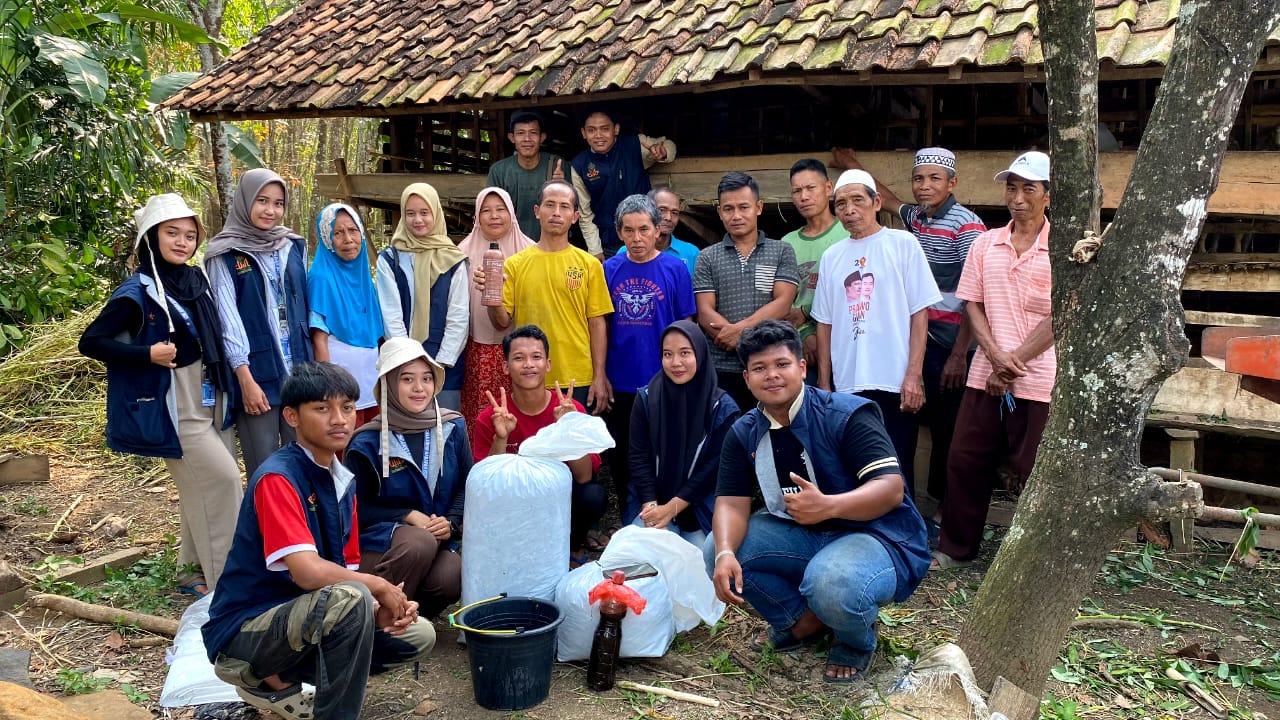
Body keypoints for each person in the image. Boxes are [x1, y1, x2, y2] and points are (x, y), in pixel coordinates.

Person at [203, 362, 435, 720]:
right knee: (354, 595)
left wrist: (379, 611)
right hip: (245, 630)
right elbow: (309, 573)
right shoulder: (279, 478)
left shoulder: (342, 479)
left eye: (346, 407)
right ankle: (296, 694)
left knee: (417, 635)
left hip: (303, 618)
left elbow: (341, 573)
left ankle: (280, 679)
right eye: (322, 409)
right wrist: (376, 587)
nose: (339, 419)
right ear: (293, 417)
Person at [707, 320, 929, 683]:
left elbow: (890, 489)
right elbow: (731, 502)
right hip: (804, 534)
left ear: (802, 368)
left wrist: (829, 506)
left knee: (832, 581)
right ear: (746, 378)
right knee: (713, 550)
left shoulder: (848, 414)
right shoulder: (745, 430)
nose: (772, 375)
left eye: (782, 364)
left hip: (877, 535)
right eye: (760, 368)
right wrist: (724, 553)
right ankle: (802, 622)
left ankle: (855, 640)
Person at [80, 194, 241, 596]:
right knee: (222, 483)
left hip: (212, 391)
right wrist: (146, 354)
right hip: (177, 400)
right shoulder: (137, 291)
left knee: (200, 486)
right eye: (172, 233)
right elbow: (92, 342)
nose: (183, 242)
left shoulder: (195, 279)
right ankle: (230, 585)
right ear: (151, 237)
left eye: (190, 235)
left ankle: (191, 570)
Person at [834, 147, 987, 532]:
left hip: (953, 341)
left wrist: (958, 354)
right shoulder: (916, 219)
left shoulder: (967, 226)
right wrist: (854, 166)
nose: (924, 186)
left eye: (935, 179)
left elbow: (975, 293)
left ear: (952, 183)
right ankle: (909, 511)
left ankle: (942, 512)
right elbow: (884, 198)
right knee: (918, 421)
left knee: (948, 430)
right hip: (922, 339)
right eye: (919, 178)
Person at [933, 151, 1055, 569]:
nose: (1017, 198)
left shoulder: (1061, 248)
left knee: (1033, 469)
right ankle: (956, 548)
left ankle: (1032, 560)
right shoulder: (986, 243)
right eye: (1011, 187)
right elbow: (972, 306)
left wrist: (1013, 361)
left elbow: (1063, 314)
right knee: (966, 458)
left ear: (1047, 196)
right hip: (986, 372)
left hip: (1039, 377)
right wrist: (996, 357)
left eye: (1028, 189)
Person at [811, 169, 941, 497]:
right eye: (841, 204)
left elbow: (919, 314)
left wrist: (914, 376)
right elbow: (823, 323)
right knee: (855, 467)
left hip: (894, 381)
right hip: (848, 383)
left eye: (858, 200)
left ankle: (904, 541)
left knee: (898, 467)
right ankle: (866, 539)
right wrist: (825, 385)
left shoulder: (903, 244)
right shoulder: (832, 256)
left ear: (876, 202)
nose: (849, 209)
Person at [344, 337, 470, 618]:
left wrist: (451, 523)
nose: (419, 388)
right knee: (418, 542)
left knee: (451, 576)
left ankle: (410, 616)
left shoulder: (452, 426)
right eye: (407, 379)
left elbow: (466, 485)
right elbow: (355, 511)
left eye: (427, 378)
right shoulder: (366, 442)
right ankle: (379, 617)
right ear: (388, 384)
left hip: (434, 543)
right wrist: (407, 515)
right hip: (382, 547)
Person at [206, 168, 313, 477]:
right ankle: (265, 525)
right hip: (258, 373)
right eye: (262, 201)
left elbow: (302, 305)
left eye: (278, 203)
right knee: (264, 464)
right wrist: (245, 378)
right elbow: (227, 319)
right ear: (245, 201)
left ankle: (301, 524)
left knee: (303, 457)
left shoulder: (292, 246)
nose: (271, 210)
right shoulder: (225, 253)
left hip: (299, 371)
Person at [474, 180, 613, 413]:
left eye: (564, 206)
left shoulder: (589, 264)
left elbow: (597, 323)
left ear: (576, 216)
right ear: (537, 211)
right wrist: (492, 295)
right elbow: (501, 322)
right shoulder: (515, 264)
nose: (556, 213)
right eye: (550, 205)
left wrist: (600, 375)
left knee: (578, 449)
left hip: (577, 377)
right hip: (530, 376)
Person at [471, 325, 606, 566]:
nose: (529, 365)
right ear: (505, 366)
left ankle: (571, 546)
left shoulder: (569, 409)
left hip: (559, 500)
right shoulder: (491, 417)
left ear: (548, 364)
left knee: (593, 496)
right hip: (514, 503)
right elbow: (487, 485)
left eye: (536, 357)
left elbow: (585, 477)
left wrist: (567, 430)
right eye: (519, 358)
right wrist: (501, 437)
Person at [602, 194, 697, 528]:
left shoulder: (674, 268)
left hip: (663, 380)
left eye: (644, 229)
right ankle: (633, 516)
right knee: (624, 453)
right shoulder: (609, 269)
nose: (637, 238)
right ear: (619, 232)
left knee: (666, 449)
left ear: (658, 229)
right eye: (628, 230)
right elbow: (601, 325)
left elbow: (686, 324)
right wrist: (601, 374)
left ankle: (667, 514)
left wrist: (683, 373)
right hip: (620, 380)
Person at [693, 171, 800, 413]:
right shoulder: (707, 256)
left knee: (774, 434)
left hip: (772, 366)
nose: (736, 215)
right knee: (726, 436)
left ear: (759, 207)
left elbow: (783, 303)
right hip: (721, 368)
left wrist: (742, 335)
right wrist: (744, 341)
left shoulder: (782, 250)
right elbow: (704, 311)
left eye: (744, 207)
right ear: (719, 212)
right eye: (728, 209)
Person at [627, 320, 739, 546]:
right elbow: (638, 457)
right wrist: (651, 506)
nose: (676, 363)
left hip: (700, 506)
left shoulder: (723, 409)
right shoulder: (647, 399)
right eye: (667, 354)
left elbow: (712, 471)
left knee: (701, 568)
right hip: (653, 501)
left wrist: (673, 508)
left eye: (685, 353)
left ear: (700, 353)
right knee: (646, 559)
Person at [376, 183, 469, 411]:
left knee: (444, 428)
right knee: (405, 429)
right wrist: (407, 358)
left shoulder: (453, 259)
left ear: (436, 213)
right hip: (402, 362)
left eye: (424, 213)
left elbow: (459, 315)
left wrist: (441, 363)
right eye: (410, 213)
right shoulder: (390, 258)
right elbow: (391, 314)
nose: (418, 220)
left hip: (445, 363)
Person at [456, 187, 534, 436]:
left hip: (521, 349)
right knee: (482, 415)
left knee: (519, 412)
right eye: (486, 210)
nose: (494, 216)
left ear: (511, 213)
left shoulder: (530, 251)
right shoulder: (461, 253)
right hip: (477, 349)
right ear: (477, 217)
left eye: (501, 209)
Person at [308, 202, 384, 427]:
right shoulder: (321, 278)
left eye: (353, 230)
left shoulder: (364, 279)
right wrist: (330, 389)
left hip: (371, 378)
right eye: (338, 233)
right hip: (340, 383)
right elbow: (318, 339)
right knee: (345, 447)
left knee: (370, 445)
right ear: (327, 239)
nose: (348, 239)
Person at [571, 105, 677, 259]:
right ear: (583, 133)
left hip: (645, 237)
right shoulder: (579, 165)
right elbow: (585, 213)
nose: (598, 135)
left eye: (604, 129)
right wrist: (595, 249)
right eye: (592, 130)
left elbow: (669, 145)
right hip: (609, 242)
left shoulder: (634, 145)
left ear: (616, 129)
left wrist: (662, 151)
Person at [486, 110, 599, 249]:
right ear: (511, 137)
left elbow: (573, 210)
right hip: (512, 248)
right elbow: (493, 212)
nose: (527, 139)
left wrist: (562, 186)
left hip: (551, 247)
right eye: (520, 133)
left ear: (542, 137)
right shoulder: (499, 171)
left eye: (533, 133)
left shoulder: (557, 165)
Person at [781, 159, 847, 380]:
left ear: (829, 188)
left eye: (811, 188)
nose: (804, 196)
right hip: (802, 348)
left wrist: (807, 310)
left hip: (845, 340)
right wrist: (806, 335)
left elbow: (853, 290)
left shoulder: (848, 234)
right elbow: (785, 303)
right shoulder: (787, 243)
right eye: (797, 191)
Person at [612, 186, 700, 275]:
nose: (668, 218)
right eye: (662, 210)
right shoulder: (626, 252)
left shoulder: (691, 253)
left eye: (674, 213)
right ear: (647, 210)